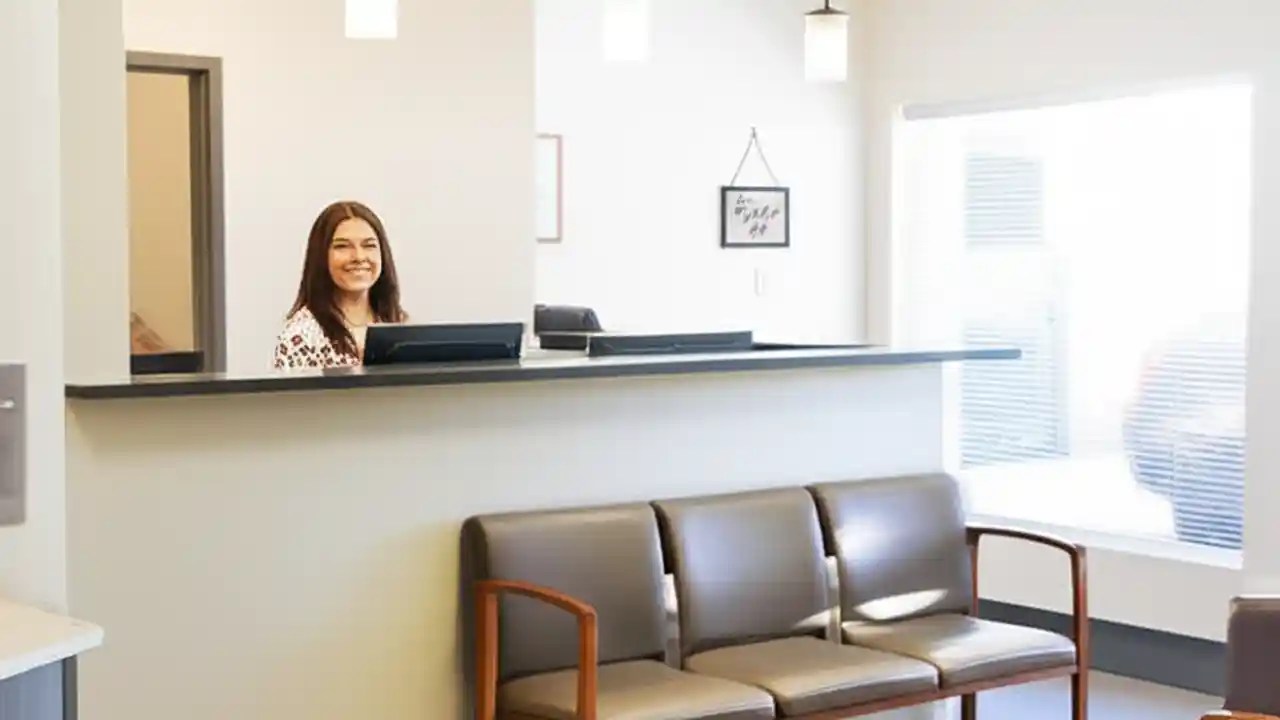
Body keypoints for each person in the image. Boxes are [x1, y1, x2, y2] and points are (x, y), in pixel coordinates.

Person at [273, 201, 408, 370]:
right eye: (342, 246)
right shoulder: (302, 337)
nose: (359, 256)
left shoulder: (399, 325)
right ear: (321, 256)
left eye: (369, 245)